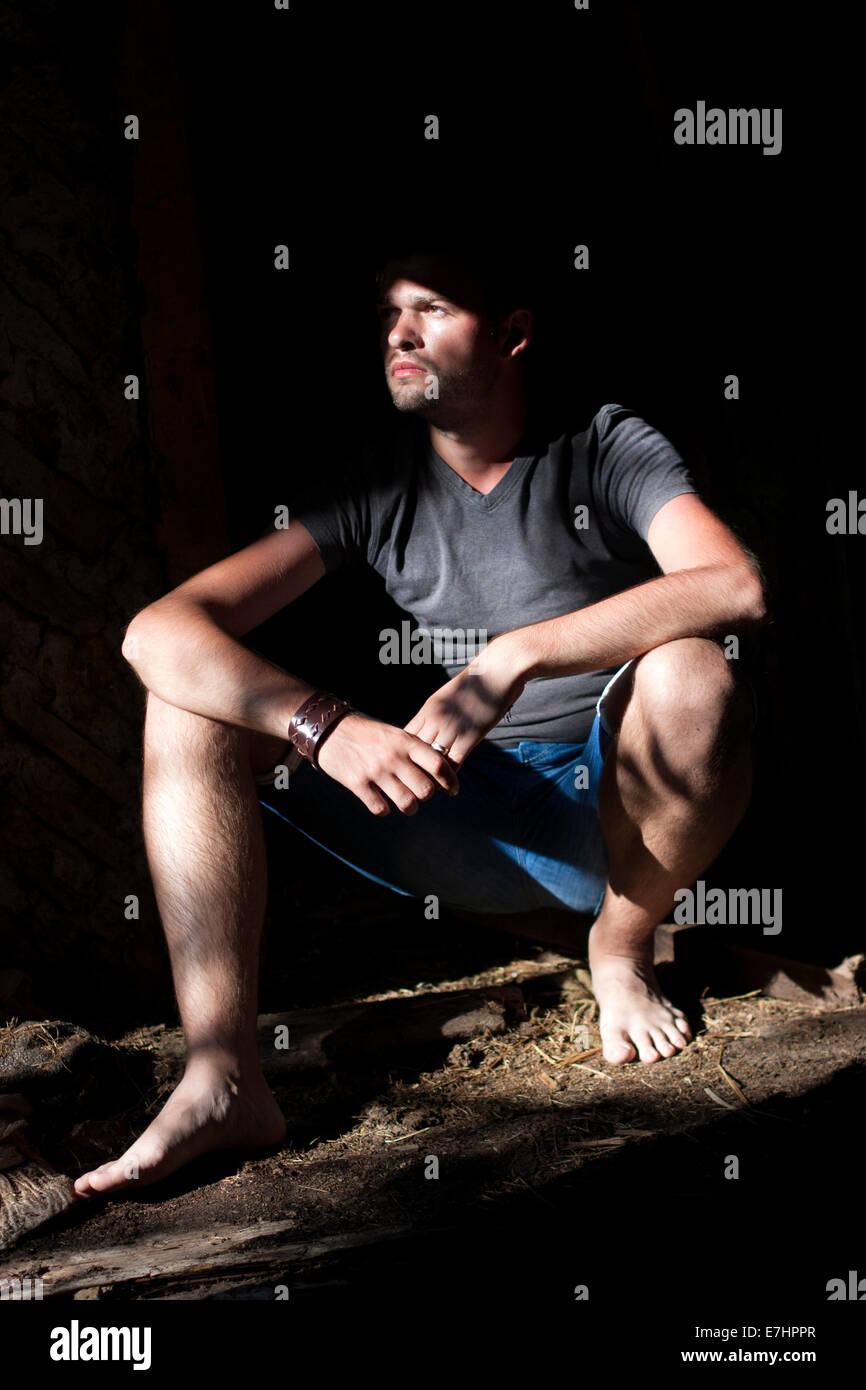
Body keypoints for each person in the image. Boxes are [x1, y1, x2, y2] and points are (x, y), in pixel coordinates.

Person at [73, 244, 767, 1198]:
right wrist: (326, 725)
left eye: (432, 308)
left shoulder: (604, 445)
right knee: (188, 703)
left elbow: (734, 585)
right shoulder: (376, 487)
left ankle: (619, 948)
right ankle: (222, 1076)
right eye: (390, 312)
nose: (400, 333)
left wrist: (513, 654)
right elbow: (159, 632)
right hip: (464, 803)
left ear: (514, 334)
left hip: (622, 809)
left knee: (696, 669)